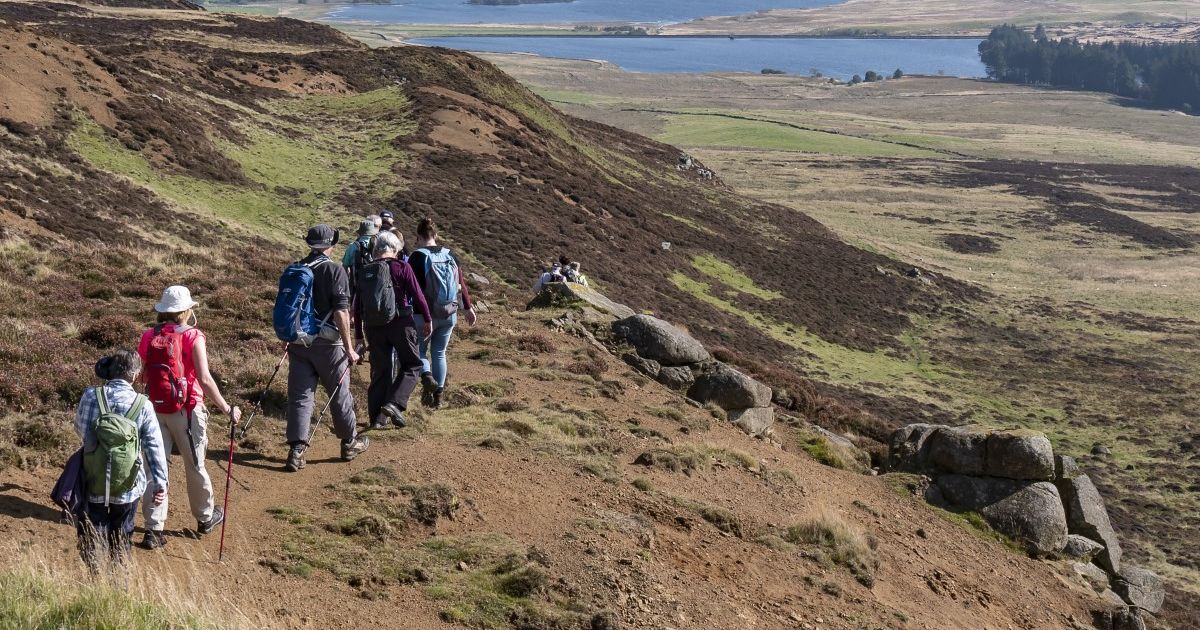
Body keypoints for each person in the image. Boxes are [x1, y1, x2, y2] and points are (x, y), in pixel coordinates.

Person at [136, 286, 243, 549]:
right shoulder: (194, 336)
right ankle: (205, 518)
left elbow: (141, 377)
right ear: (186, 311)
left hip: (154, 408)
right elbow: (205, 380)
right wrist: (227, 408)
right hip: (187, 409)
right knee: (194, 465)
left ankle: (153, 529)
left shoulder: (148, 335)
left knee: (155, 468)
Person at [283, 224, 369, 472]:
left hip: (299, 341)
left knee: (300, 396)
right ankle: (349, 442)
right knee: (339, 394)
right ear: (330, 244)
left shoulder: (296, 268)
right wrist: (350, 348)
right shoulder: (335, 270)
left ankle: (296, 451)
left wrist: (287, 336)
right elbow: (342, 311)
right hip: (329, 343)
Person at [74, 350, 168, 573]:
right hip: (128, 483)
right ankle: (118, 578)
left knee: (92, 529)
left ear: (110, 371)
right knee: (122, 532)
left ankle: (94, 578)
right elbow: (154, 447)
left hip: (93, 478)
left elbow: (80, 429)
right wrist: (160, 483)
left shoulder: (91, 395)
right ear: (135, 375)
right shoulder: (143, 405)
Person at [360, 231, 432, 429]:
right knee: (413, 365)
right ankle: (394, 403)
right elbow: (418, 295)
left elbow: (357, 306)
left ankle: (377, 420)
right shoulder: (402, 266)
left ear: (377, 249)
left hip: (373, 327)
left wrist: (358, 335)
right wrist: (427, 319)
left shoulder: (366, 270)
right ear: (395, 249)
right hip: (401, 323)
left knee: (380, 372)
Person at [407, 218, 477, 409]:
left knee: (420, 351)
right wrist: (468, 308)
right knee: (439, 353)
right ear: (435, 235)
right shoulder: (450, 254)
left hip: (424, 315)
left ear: (419, 237)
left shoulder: (417, 257)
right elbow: (461, 284)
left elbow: (412, 288)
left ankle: (427, 376)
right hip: (449, 313)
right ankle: (438, 395)